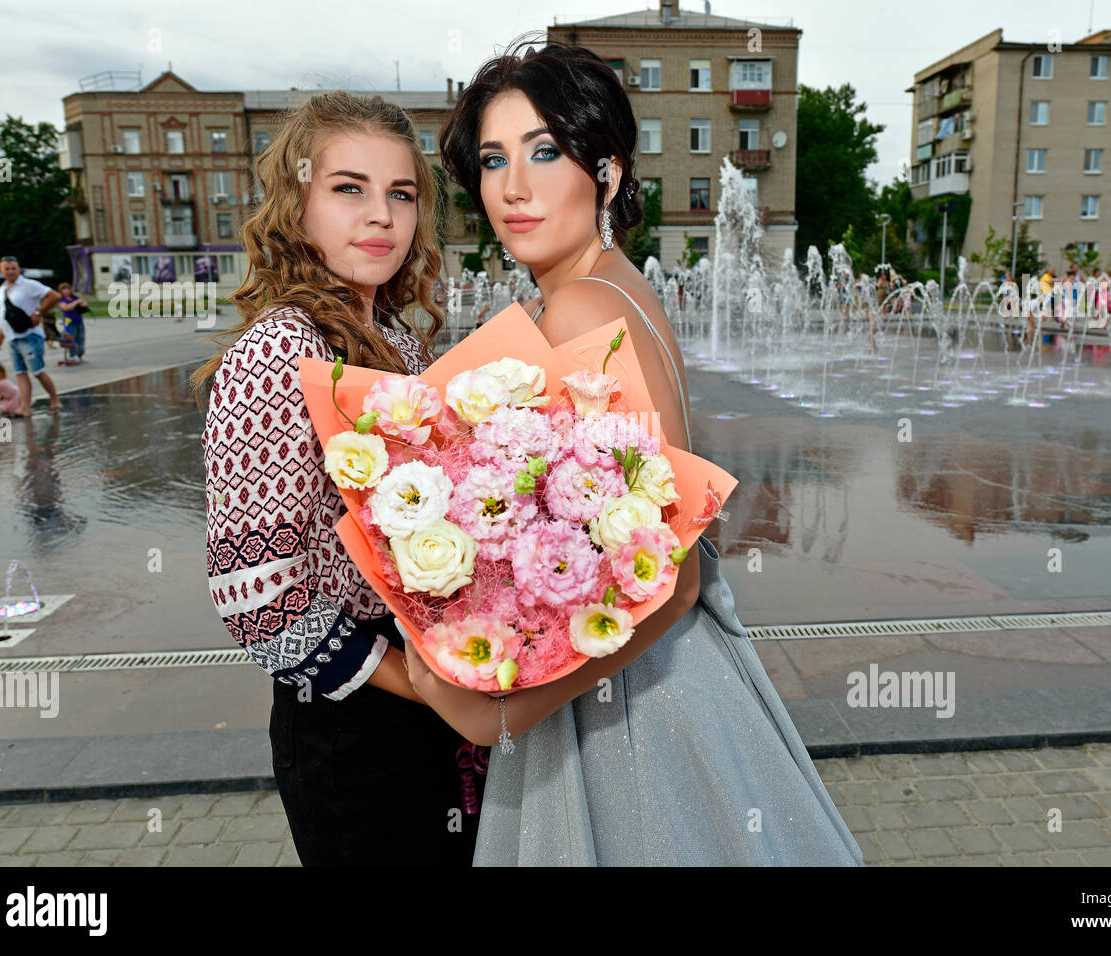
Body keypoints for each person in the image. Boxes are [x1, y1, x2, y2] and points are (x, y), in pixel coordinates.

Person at [433, 39, 863, 866]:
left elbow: (674, 577)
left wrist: (508, 710)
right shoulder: (622, 283)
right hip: (670, 674)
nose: (512, 188)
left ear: (610, 172)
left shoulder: (578, 311)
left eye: (545, 151)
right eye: (493, 160)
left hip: (622, 703)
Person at [192, 92, 479, 867]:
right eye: (348, 188)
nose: (380, 214)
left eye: (402, 193)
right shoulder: (277, 353)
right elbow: (255, 594)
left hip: (432, 693)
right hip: (353, 719)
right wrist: (417, 685)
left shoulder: (396, 341)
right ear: (297, 203)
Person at [0, 256, 62, 416]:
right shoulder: (1, 290)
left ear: (18, 269)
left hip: (29, 336)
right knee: (20, 373)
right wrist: (0, 339)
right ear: (1, 271)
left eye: (13, 268)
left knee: (37, 371)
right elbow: (5, 317)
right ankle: (25, 407)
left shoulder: (28, 285)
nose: (10, 271)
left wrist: (38, 313)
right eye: (7, 269)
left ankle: (55, 400)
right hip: (12, 338)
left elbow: (54, 296)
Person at [56, 282, 87, 365]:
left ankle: (80, 355)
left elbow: (84, 304)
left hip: (79, 320)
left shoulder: (74, 297)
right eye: (64, 289)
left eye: (68, 289)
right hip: (69, 322)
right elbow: (66, 308)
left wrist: (79, 302)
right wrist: (76, 302)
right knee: (71, 339)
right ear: (61, 291)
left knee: (81, 338)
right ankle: (72, 356)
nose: (66, 291)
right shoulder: (61, 300)